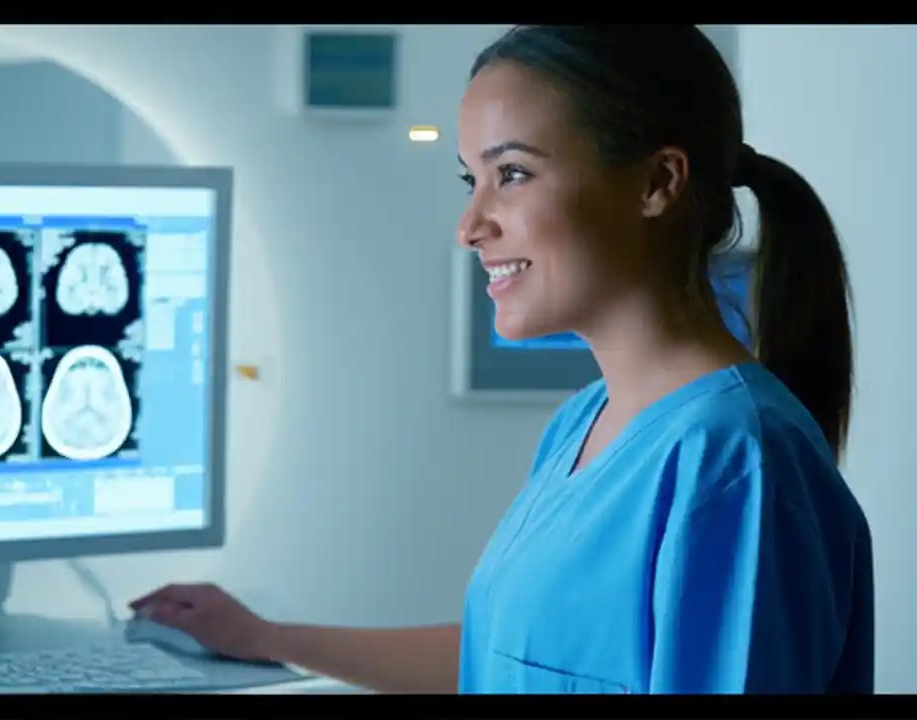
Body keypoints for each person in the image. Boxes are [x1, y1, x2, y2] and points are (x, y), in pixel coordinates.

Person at [129, 24, 875, 694]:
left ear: (658, 182)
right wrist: (262, 638)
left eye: (511, 174)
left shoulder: (736, 460)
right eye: (471, 180)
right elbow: (507, 659)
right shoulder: (583, 424)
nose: (470, 225)